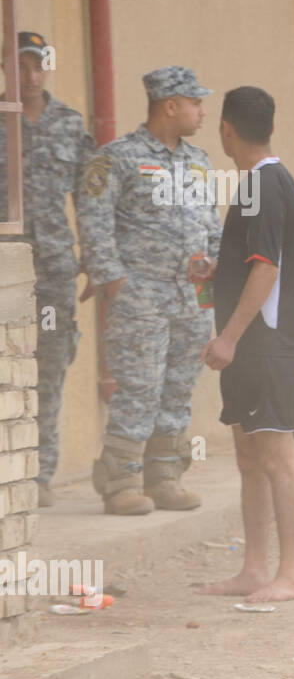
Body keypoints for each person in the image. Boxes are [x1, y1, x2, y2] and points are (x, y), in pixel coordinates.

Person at [75, 66, 220, 515]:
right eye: (195, 103)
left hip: (192, 296)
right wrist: (115, 281)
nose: (202, 111)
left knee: (178, 389)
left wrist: (214, 264)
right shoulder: (116, 157)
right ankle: (119, 480)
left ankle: (164, 477)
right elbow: (94, 222)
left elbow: (210, 223)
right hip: (141, 295)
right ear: (169, 106)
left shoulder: (199, 160)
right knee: (140, 388)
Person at [198, 86, 294, 602]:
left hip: (264, 343)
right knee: (248, 457)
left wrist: (228, 338)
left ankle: (293, 574)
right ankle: (255, 567)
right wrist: (218, 272)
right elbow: (256, 261)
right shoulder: (257, 184)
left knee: (277, 456)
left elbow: (267, 269)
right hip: (251, 345)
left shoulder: (265, 185)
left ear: (226, 129)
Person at [0, 32, 94, 507]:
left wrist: (98, 260)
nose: (32, 76)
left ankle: (39, 474)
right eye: (21, 66)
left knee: (50, 367)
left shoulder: (70, 125)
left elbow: (92, 199)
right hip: (3, 268)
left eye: (39, 66)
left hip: (55, 268)